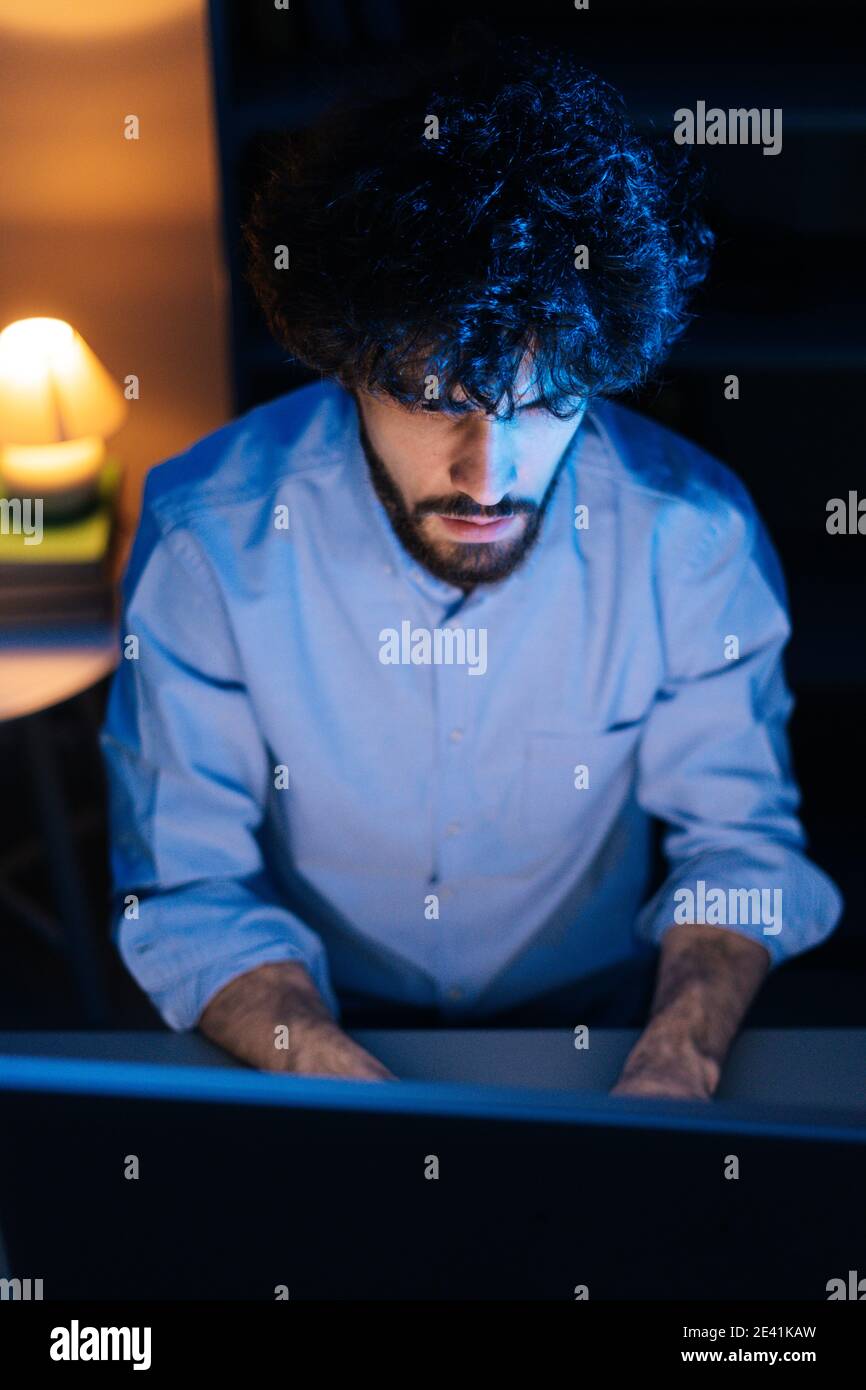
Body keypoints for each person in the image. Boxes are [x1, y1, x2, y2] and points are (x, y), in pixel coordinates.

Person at [101, 46, 841, 1097]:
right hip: (298, 1015)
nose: (486, 474)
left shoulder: (691, 536)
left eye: (545, 404)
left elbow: (740, 851)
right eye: (436, 396)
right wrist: (340, 1080)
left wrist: (675, 1057)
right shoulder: (206, 539)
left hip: (605, 1019)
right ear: (346, 363)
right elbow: (186, 888)